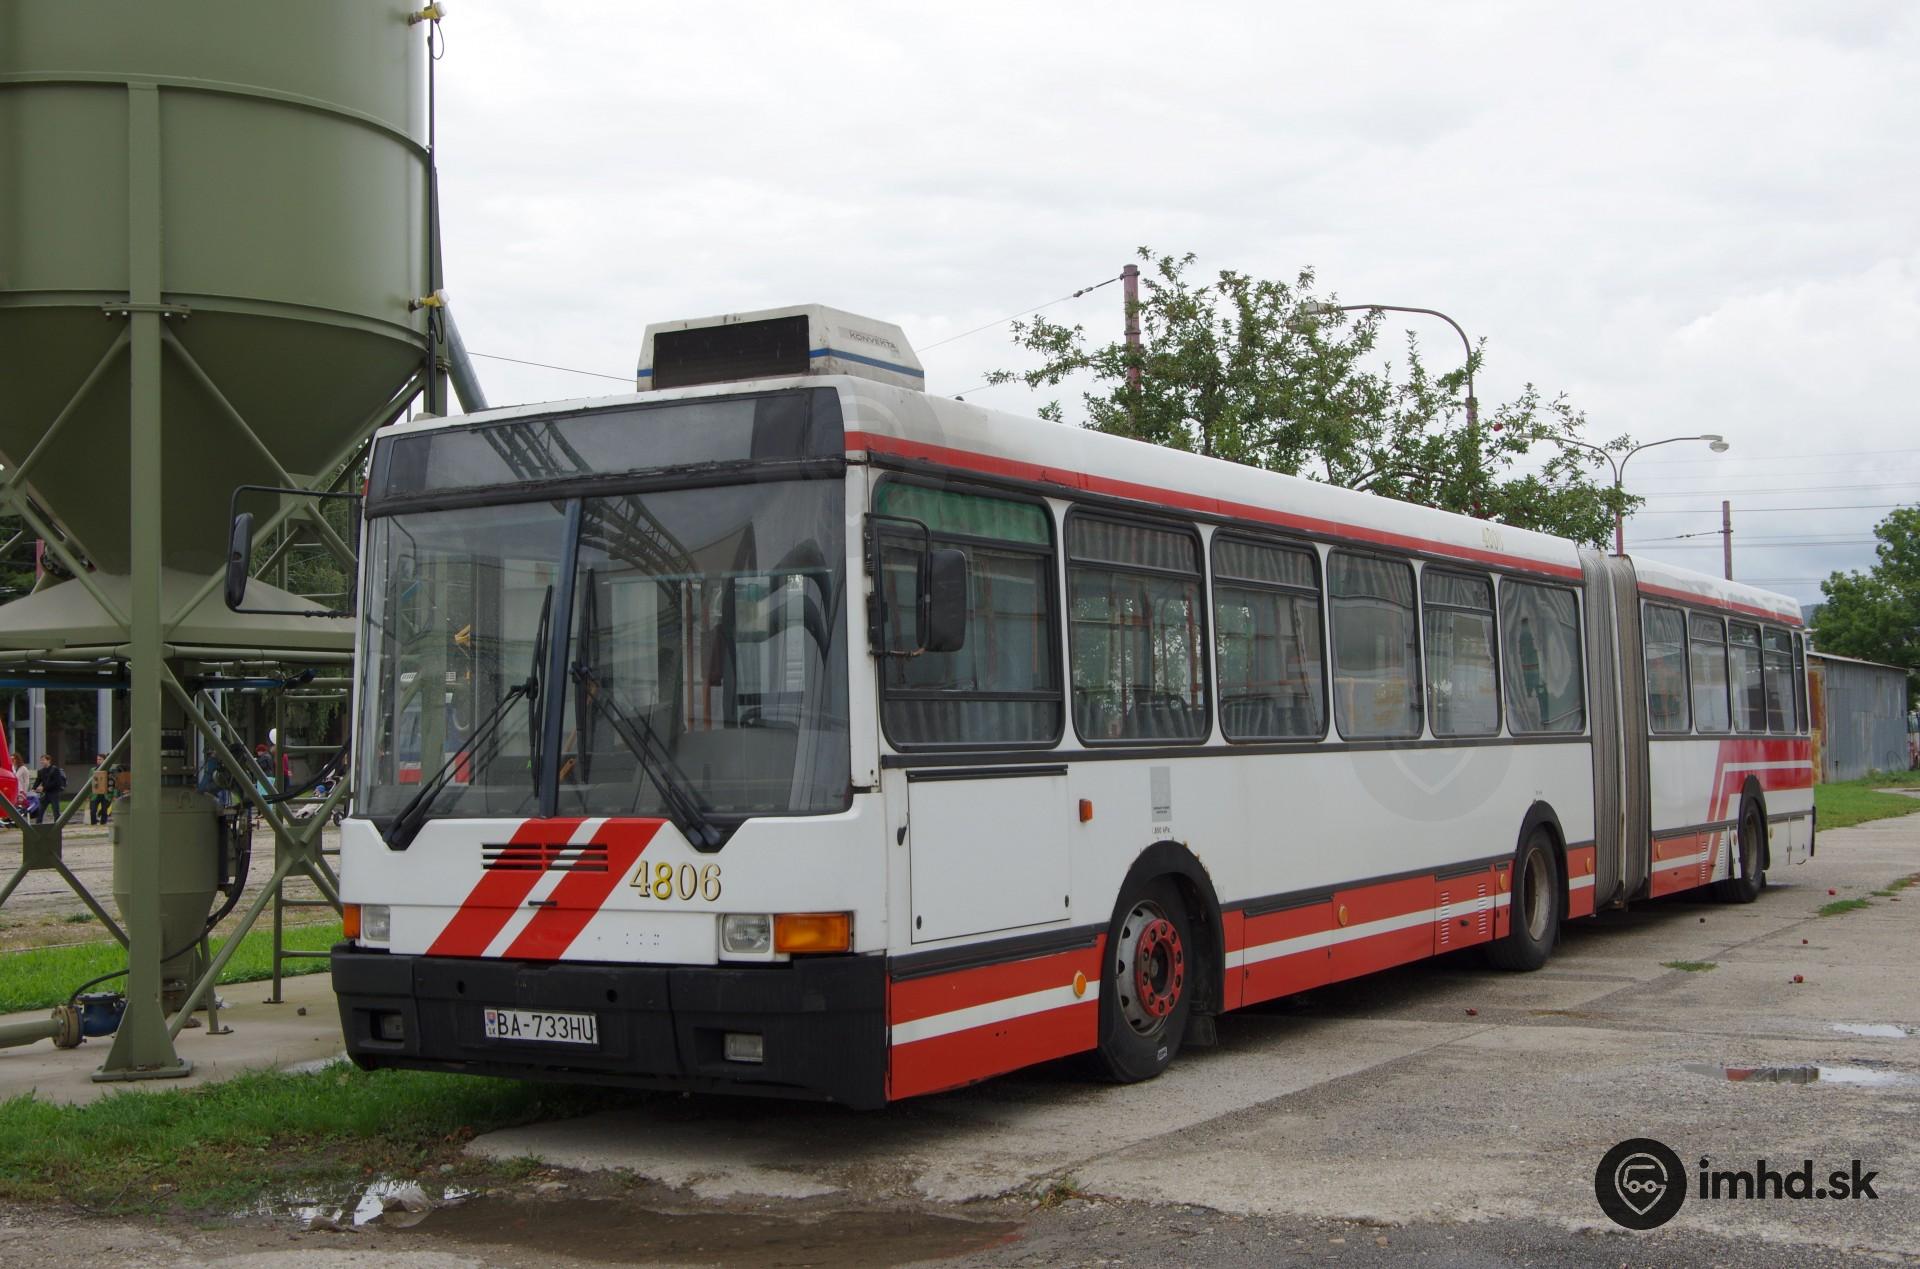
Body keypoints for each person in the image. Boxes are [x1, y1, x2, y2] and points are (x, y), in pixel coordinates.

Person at [32, 753, 67, 824]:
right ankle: (38, 824)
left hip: (54, 793)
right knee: (41, 809)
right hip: (46, 793)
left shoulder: (55, 770)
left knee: (55, 810)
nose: (42, 762)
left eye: (43, 760)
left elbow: (56, 782)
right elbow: (38, 780)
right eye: (41, 760)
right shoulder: (41, 771)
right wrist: (34, 788)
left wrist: (43, 788)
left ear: (48, 760)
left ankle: (57, 825)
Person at [88, 753, 114, 825]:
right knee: (93, 810)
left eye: (100, 759)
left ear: (104, 760)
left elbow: (113, 782)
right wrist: (88, 795)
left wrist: (113, 794)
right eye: (97, 759)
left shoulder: (110, 770)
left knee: (104, 810)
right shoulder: (93, 770)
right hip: (95, 794)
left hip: (106, 793)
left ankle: (103, 823)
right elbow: (89, 783)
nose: (98, 761)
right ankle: (93, 823)